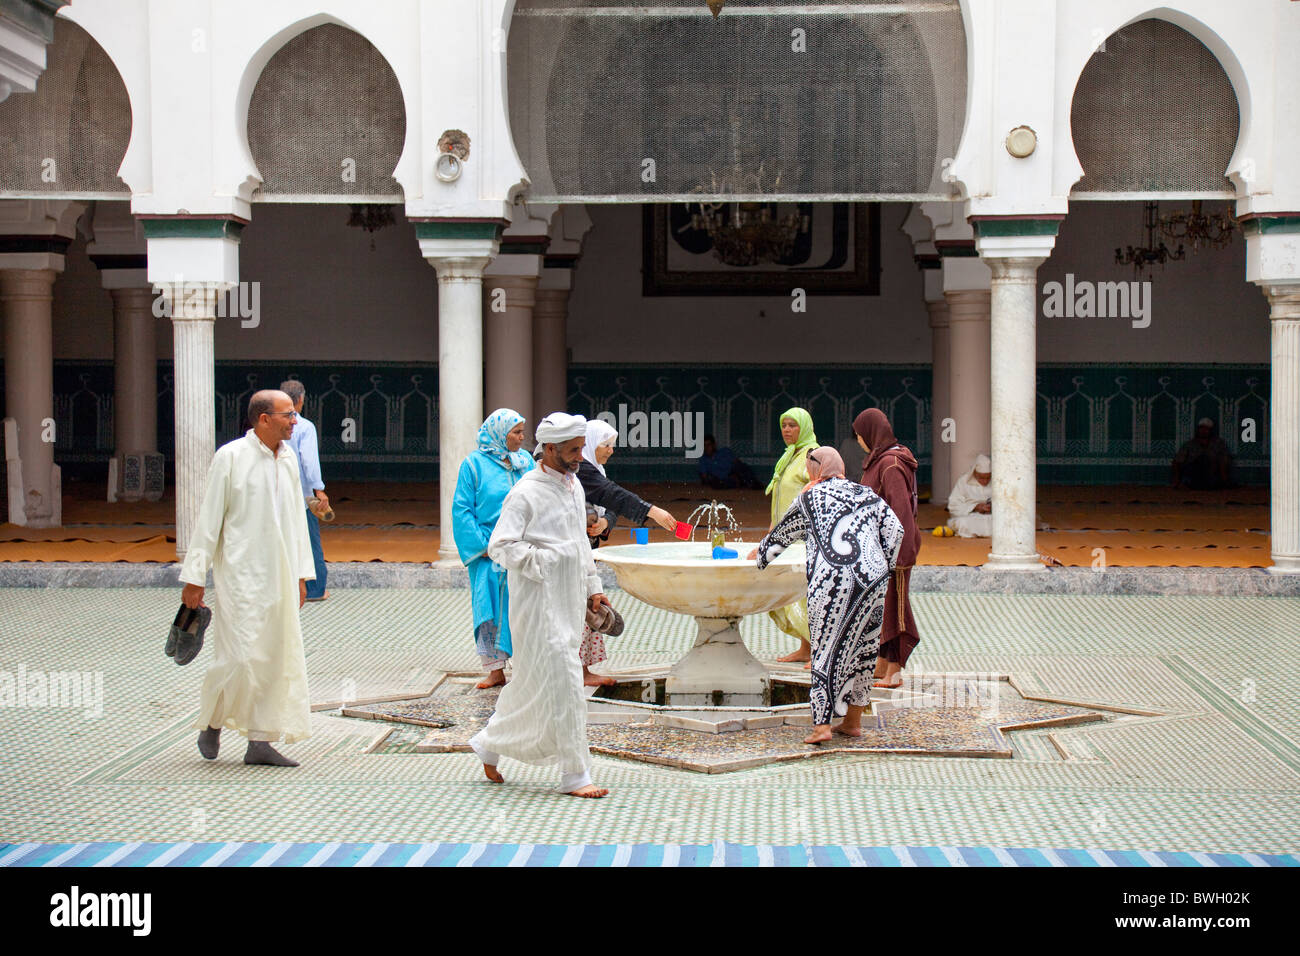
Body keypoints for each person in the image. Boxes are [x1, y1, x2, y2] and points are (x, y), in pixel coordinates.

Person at [470, 412, 611, 798]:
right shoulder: (526, 492)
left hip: (567, 599)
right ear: (548, 449)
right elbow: (500, 546)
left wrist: (592, 587)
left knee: (535, 683)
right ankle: (575, 775)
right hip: (537, 602)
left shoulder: (573, 487)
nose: (580, 456)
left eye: (581, 448)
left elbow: (580, 544)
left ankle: (489, 743)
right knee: (566, 680)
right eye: (572, 450)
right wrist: (544, 562)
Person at [180, 389, 315, 767]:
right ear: (263, 419)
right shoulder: (231, 457)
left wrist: (303, 575)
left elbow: (296, 522)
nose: (295, 421)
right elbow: (209, 520)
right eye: (288, 415)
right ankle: (212, 721)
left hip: (281, 577)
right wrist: (195, 578)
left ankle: (260, 741)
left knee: (275, 657)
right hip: (240, 577)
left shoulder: (288, 459)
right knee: (238, 658)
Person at [755, 447, 904, 744]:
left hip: (833, 579)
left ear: (815, 470)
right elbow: (896, 530)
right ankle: (852, 723)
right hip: (873, 581)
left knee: (825, 648)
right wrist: (883, 564)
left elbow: (780, 537)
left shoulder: (810, 497)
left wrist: (758, 559)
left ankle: (822, 727)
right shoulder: (866, 494)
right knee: (864, 650)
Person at [576, 418, 677, 686]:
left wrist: (605, 523)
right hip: (570, 555)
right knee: (576, 613)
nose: (611, 450)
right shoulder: (578, 472)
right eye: (606, 445)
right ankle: (573, 671)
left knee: (589, 610)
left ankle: (583, 671)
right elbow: (613, 494)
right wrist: (651, 511)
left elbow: (609, 504)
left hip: (586, 555)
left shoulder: (595, 471)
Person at [452, 409, 536, 690]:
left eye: (523, 432)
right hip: (488, 551)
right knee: (488, 608)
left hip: (521, 548)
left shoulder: (525, 462)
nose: (522, 438)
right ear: (501, 434)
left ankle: (525, 669)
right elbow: (463, 509)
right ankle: (495, 671)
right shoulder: (473, 465)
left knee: (523, 607)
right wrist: (484, 546)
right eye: (516, 432)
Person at [853, 408, 922, 690]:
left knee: (896, 606)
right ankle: (882, 662)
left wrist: (900, 554)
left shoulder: (891, 464)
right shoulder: (879, 461)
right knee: (881, 607)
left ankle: (895, 670)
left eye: (859, 434)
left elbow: (901, 511)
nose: (858, 440)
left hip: (894, 551)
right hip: (877, 550)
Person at [765, 407, 818, 664]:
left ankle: (818, 652)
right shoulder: (789, 455)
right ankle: (805, 649)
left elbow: (819, 489)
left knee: (806, 595)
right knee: (787, 591)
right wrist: (771, 528)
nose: (787, 430)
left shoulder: (811, 455)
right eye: (784, 425)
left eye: (792, 425)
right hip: (783, 537)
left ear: (804, 427)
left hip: (802, 539)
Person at [281, 380, 330, 601]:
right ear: (300, 400)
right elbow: (309, 462)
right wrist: (319, 490)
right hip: (301, 497)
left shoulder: (267, 426)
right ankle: (315, 589)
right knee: (310, 541)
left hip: (275, 496)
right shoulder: (304, 427)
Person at [1171, 418, 1233, 490]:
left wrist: (1225, 481)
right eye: (1201, 428)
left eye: (1206, 429)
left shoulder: (1218, 444)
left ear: (1211, 431)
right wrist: (1176, 480)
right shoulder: (1190, 444)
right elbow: (1177, 461)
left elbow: (1224, 461)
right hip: (1194, 476)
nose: (1203, 431)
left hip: (1211, 476)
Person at [946, 453, 992, 537]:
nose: (985, 481)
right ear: (974, 473)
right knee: (962, 523)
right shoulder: (963, 481)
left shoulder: (997, 482)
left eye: (988, 478)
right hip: (971, 517)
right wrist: (976, 507)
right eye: (981, 478)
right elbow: (953, 506)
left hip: (991, 517)